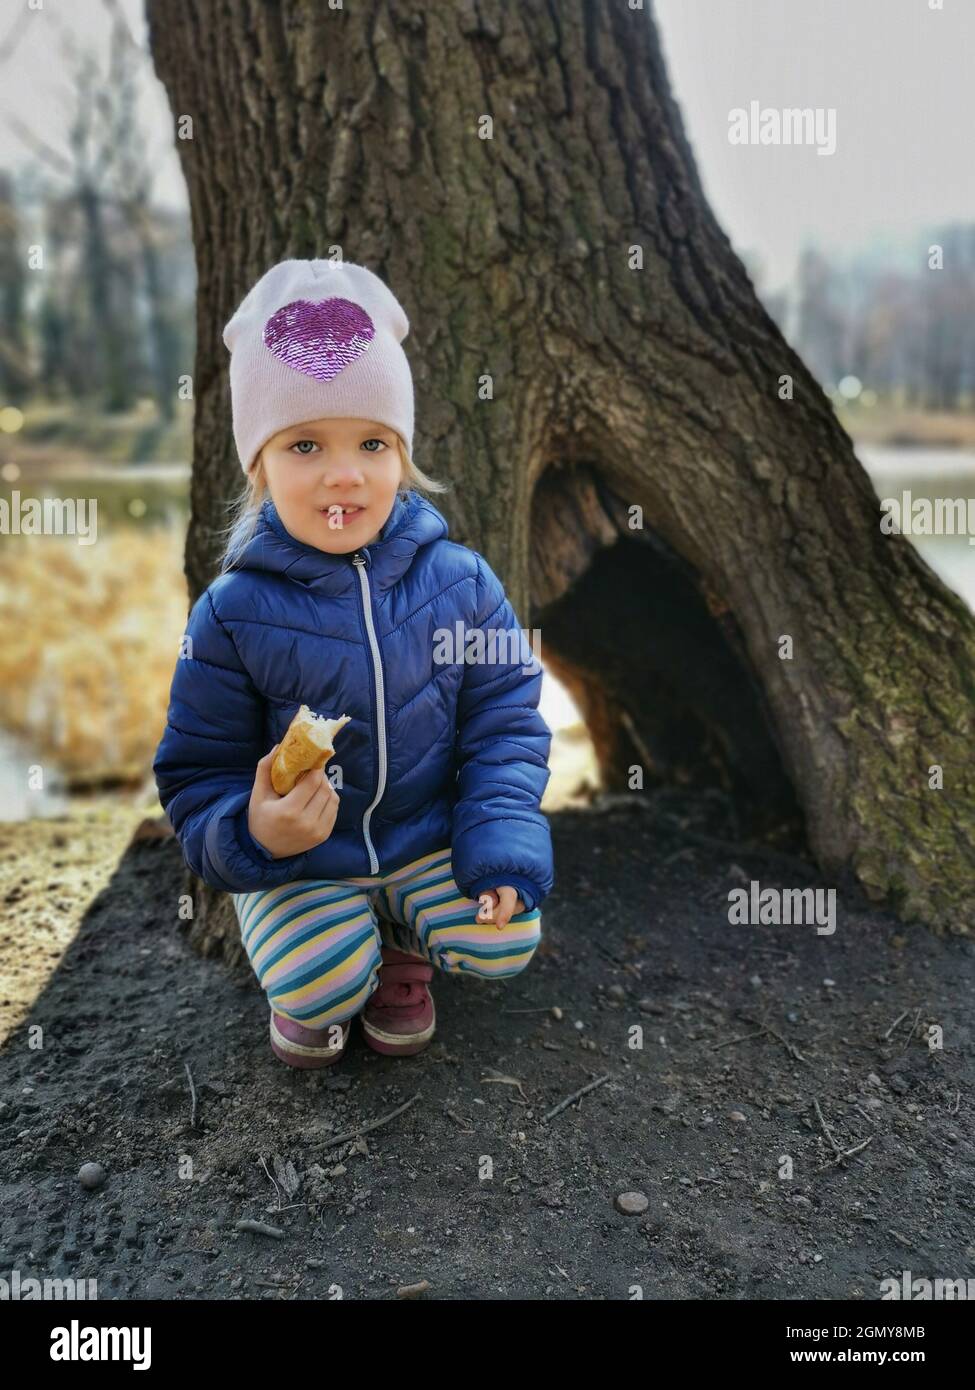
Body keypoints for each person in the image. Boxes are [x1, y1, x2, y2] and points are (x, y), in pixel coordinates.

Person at [153, 258, 554, 1069]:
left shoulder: (462, 583)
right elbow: (196, 775)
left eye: (371, 442)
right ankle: (339, 966)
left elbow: (507, 722)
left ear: (401, 456)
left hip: (424, 838)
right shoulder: (231, 614)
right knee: (318, 988)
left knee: (505, 937)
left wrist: (500, 842)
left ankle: (403, 948)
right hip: (305, 863)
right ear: (258, 466)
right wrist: (255, 827)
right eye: (305, 444)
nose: (344, 472)